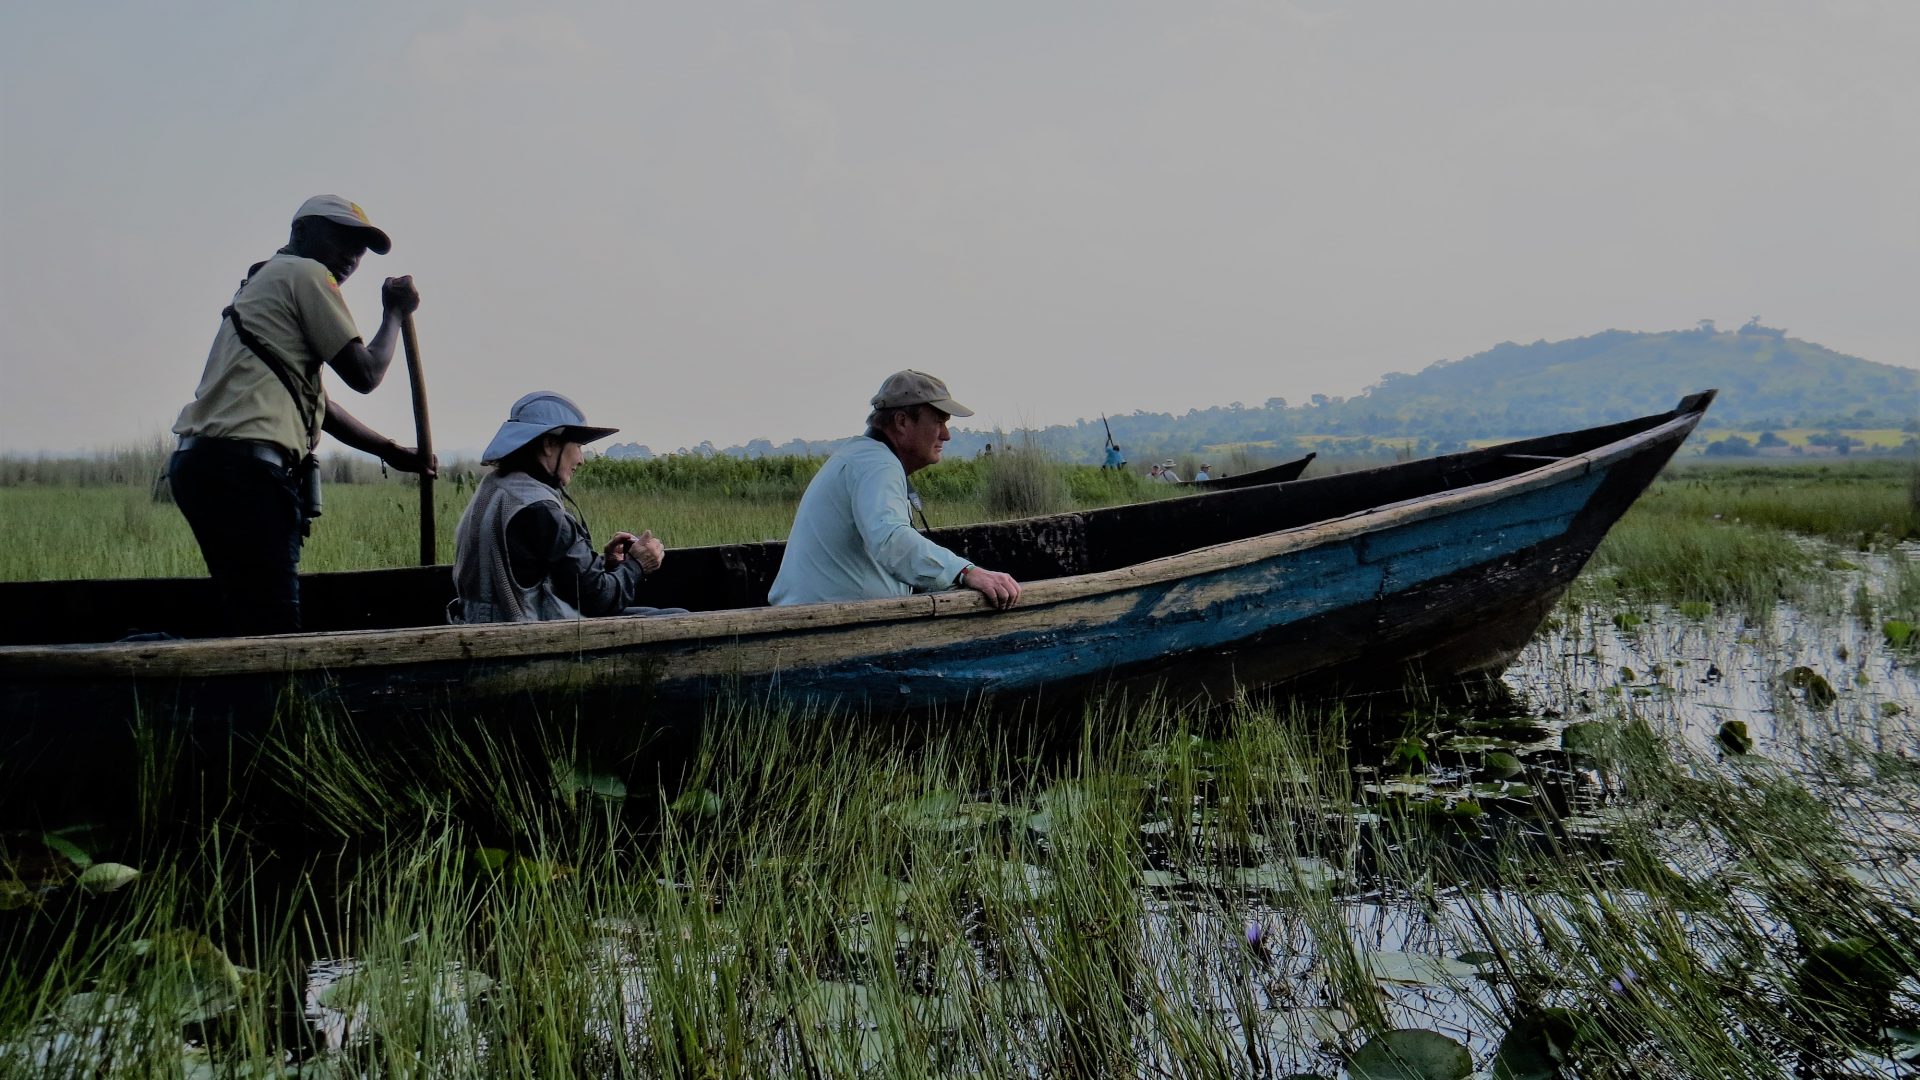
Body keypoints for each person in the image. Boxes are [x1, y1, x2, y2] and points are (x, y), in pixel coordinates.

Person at [170, 195, 433, 636]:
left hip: (202, 465)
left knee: (247, 613)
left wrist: (389, 451)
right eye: (342, 241)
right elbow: (366, 373)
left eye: (359, 250)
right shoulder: (307, 274)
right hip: (246, 472)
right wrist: (394, 313)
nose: (351, 258)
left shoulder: (266, 282)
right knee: (274, 626)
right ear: (301, 232)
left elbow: (318, 406)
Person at [769, 370, 1021, 609]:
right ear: (901, 422)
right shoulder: (878, 465)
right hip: (827, 624)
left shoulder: (862, 456)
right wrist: (966, 571)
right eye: (938, 421)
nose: (946, 435)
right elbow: (891, 539)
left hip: (820, 615)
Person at [450, 392, 684, 623]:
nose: (581, 459)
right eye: (578, 446)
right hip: (529, 635)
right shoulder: (540, 508)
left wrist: (606, 565)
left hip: (485, 624)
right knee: (679, 619)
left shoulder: (493, 487)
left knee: (666, 613)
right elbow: (598, 600)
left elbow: (549, 576)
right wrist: (637, 565)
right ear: (549, 444)